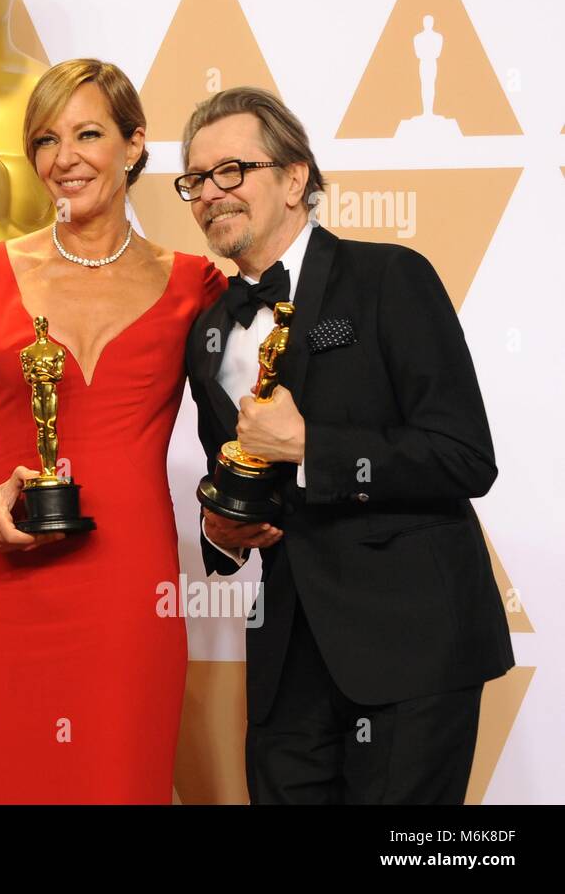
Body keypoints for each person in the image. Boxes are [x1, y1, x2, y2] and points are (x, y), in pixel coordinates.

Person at [0, 59, 226, 803]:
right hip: (3, 587)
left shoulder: (198, 284)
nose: (64, 157)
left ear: (136, 144)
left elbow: (258, 391)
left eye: (88, 133)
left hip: (129, 597)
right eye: (45, 139)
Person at [179, 86, 513, 804]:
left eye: (231, 170)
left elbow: (464, 455)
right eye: (197, 180)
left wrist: (312, 446)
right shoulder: (209, 329)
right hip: (286, 665)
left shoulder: (390, 278)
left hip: (410, 648)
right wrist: (221, 532)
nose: (211, 193)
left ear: (296, 177)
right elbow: (230, 477)